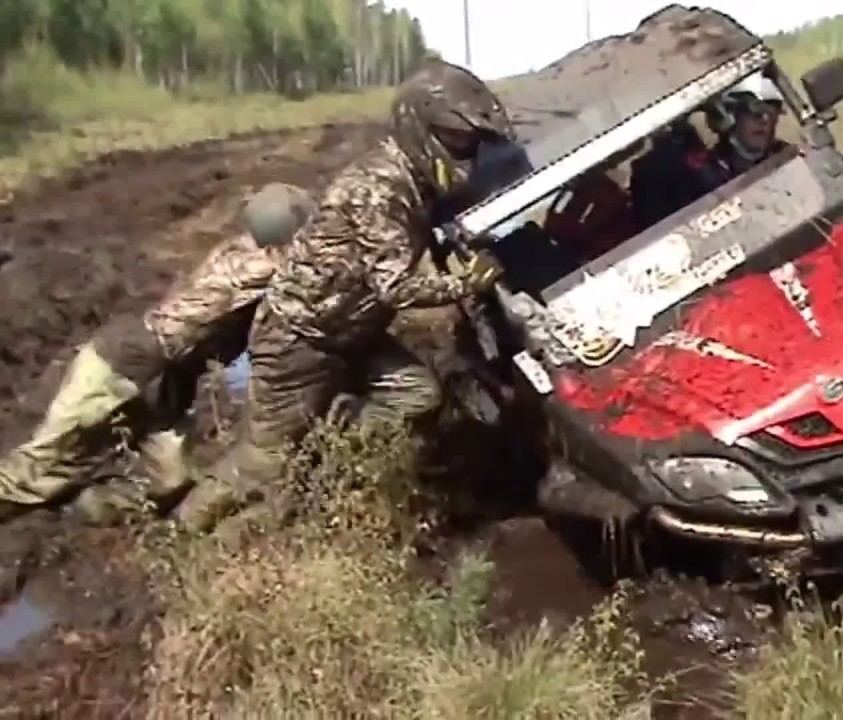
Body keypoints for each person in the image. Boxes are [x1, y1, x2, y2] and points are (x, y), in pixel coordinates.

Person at [175, 59, 516, 532]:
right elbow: (394, 284)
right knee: (260, 463)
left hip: (348, 331)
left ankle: (325, 453)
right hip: (299, 340)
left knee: (417, 397)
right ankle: (185, 530)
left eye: (470, 143)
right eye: (457, 141)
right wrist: (466, 281)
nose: (466, 153)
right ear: (420, 129)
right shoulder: (380, 188)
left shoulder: (414, 183)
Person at [0, 183, 317, 525]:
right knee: (34, 472)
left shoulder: (243, 251)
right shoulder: (259, 267)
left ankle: (81, 510)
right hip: (125, 361)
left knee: (169, 482)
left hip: (169, 380)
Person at [630, 73, 790, 227]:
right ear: (729, 115)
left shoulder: (787, 159)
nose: (764, 121)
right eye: (754, 113)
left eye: (771, 113)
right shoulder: (699, 172)